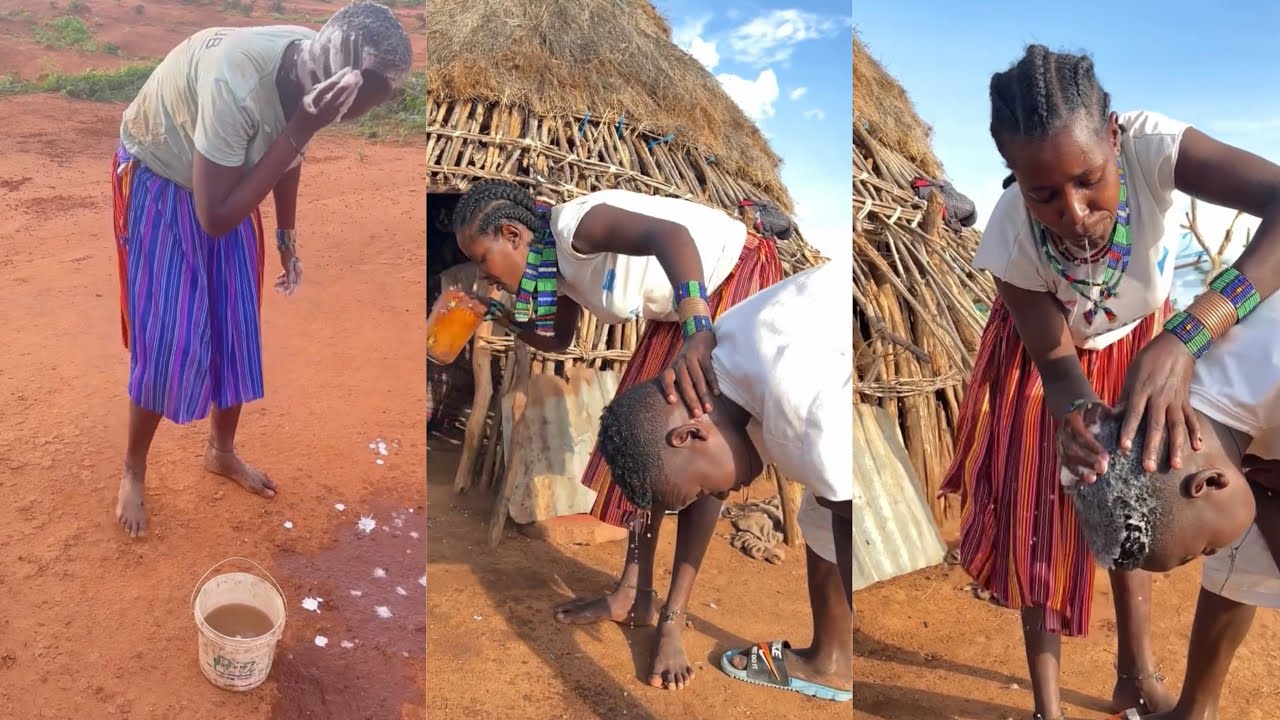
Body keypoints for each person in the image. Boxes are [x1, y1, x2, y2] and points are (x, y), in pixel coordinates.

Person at [939, 43, 1280, 720]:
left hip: (1152, 346)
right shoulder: (1011, 240)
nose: (1072, 209)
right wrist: (1078, 416)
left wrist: (1192, 331)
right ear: (1013, 178)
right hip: (1048, 364)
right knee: (1046, 518)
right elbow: (1056, 362)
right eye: (1042, 193)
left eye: (1089, 179)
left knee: (1142, 512)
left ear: (1115, 138)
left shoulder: (1155, 148)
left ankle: (1136, 676)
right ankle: (1048, 708)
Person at [448, 180, 794, 688]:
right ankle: (634, 594)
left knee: (696, 442)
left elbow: (672, 236)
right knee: (640, 440)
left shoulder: (576, 226)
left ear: (513, 235)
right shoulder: (550, 269)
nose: (483, 274)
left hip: (725, 280)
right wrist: (497, 314)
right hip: (683, 305)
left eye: (482, 259)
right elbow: (559, 337)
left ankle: (673, 616)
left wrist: (699, 330)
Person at [111, 1, 413, 538]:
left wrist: (286, 239)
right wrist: (302, 126)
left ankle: (220, 451)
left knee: (235, 324)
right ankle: (134, 468)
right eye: (374, 99)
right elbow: (215, 216)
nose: (369, 111)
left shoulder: (314, 70)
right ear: (344, 80)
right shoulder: (238, 82)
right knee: (170, 337)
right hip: (162, 170)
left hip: (224, 179)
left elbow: (287, 154)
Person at [594, 259, 852, 701]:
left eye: (702, 490)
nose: (717, 495)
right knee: (822, 515)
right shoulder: (728, 350)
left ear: (690, 434)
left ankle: (842, 665)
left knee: (838, 512)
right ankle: (830, 661)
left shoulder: (805, 421)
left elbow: (852, 520)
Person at [1070, 297, 1280, 719]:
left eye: (1202, 549)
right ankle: (1196, 712)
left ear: (1209, 483)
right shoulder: (1192, 413)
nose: (1209, 554)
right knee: (1241, 558)